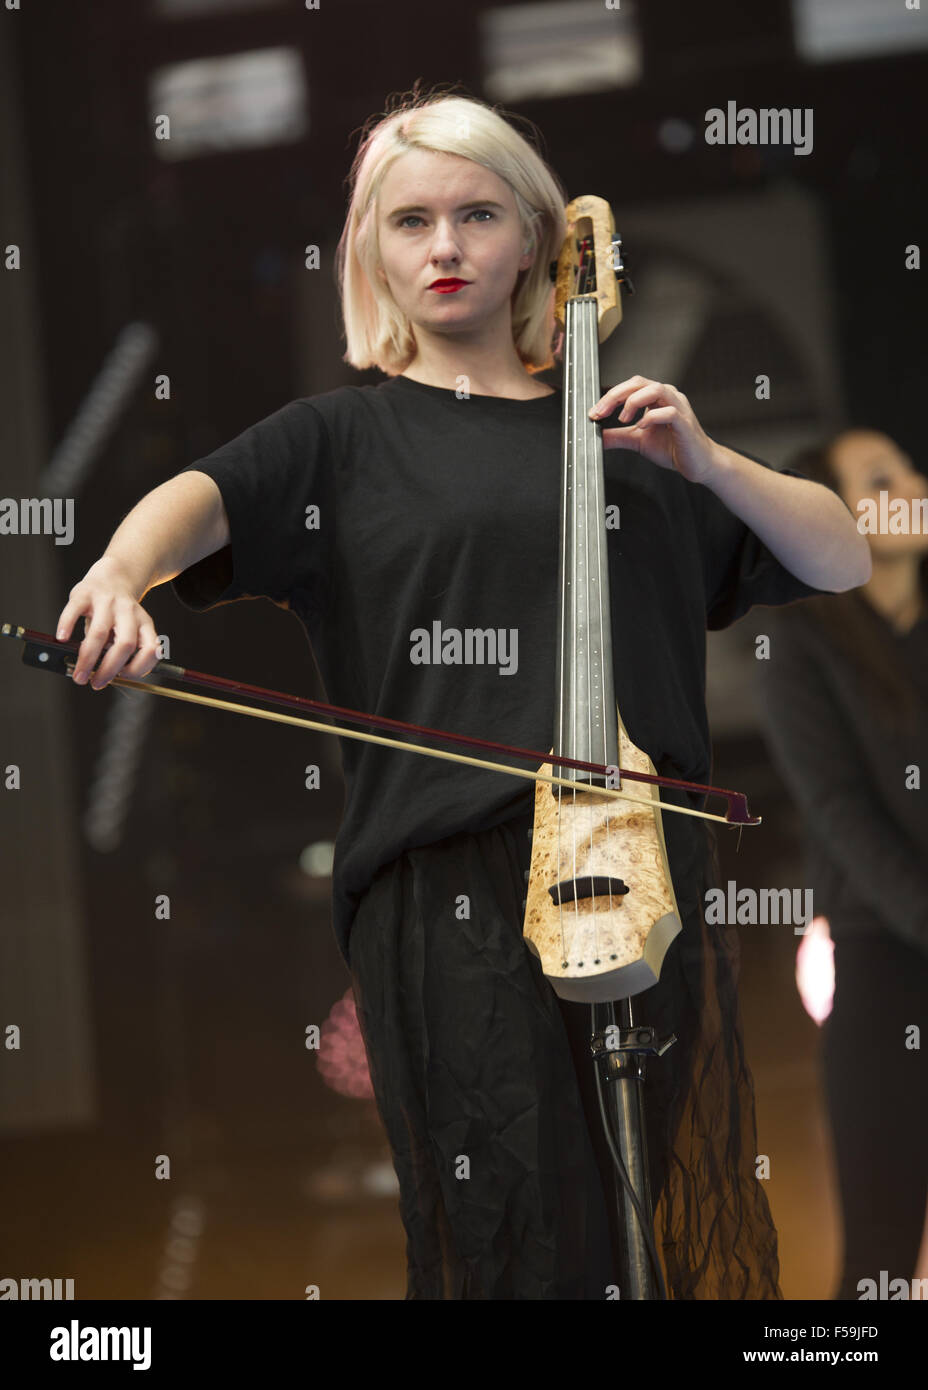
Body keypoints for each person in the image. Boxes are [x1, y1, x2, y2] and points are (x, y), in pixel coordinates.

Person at [54, 87, 870, 1299]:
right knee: (519, 1238)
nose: (443, 248)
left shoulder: (631, 440)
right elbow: (192, 503)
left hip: (633, 867)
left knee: (623, 1225)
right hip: (448, 891)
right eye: (411, 222)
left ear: (536, 242)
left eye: (478, 215)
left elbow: (841, 554)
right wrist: (122, 573)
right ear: (371, 256)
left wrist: (705, 456)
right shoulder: (342, 440)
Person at [757, 428, 928, 1301]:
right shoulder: (800, 644)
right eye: (882, 479)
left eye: (907, 468)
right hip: (881, 953)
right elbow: (839, 812)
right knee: (878, 1268)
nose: (914, 485)